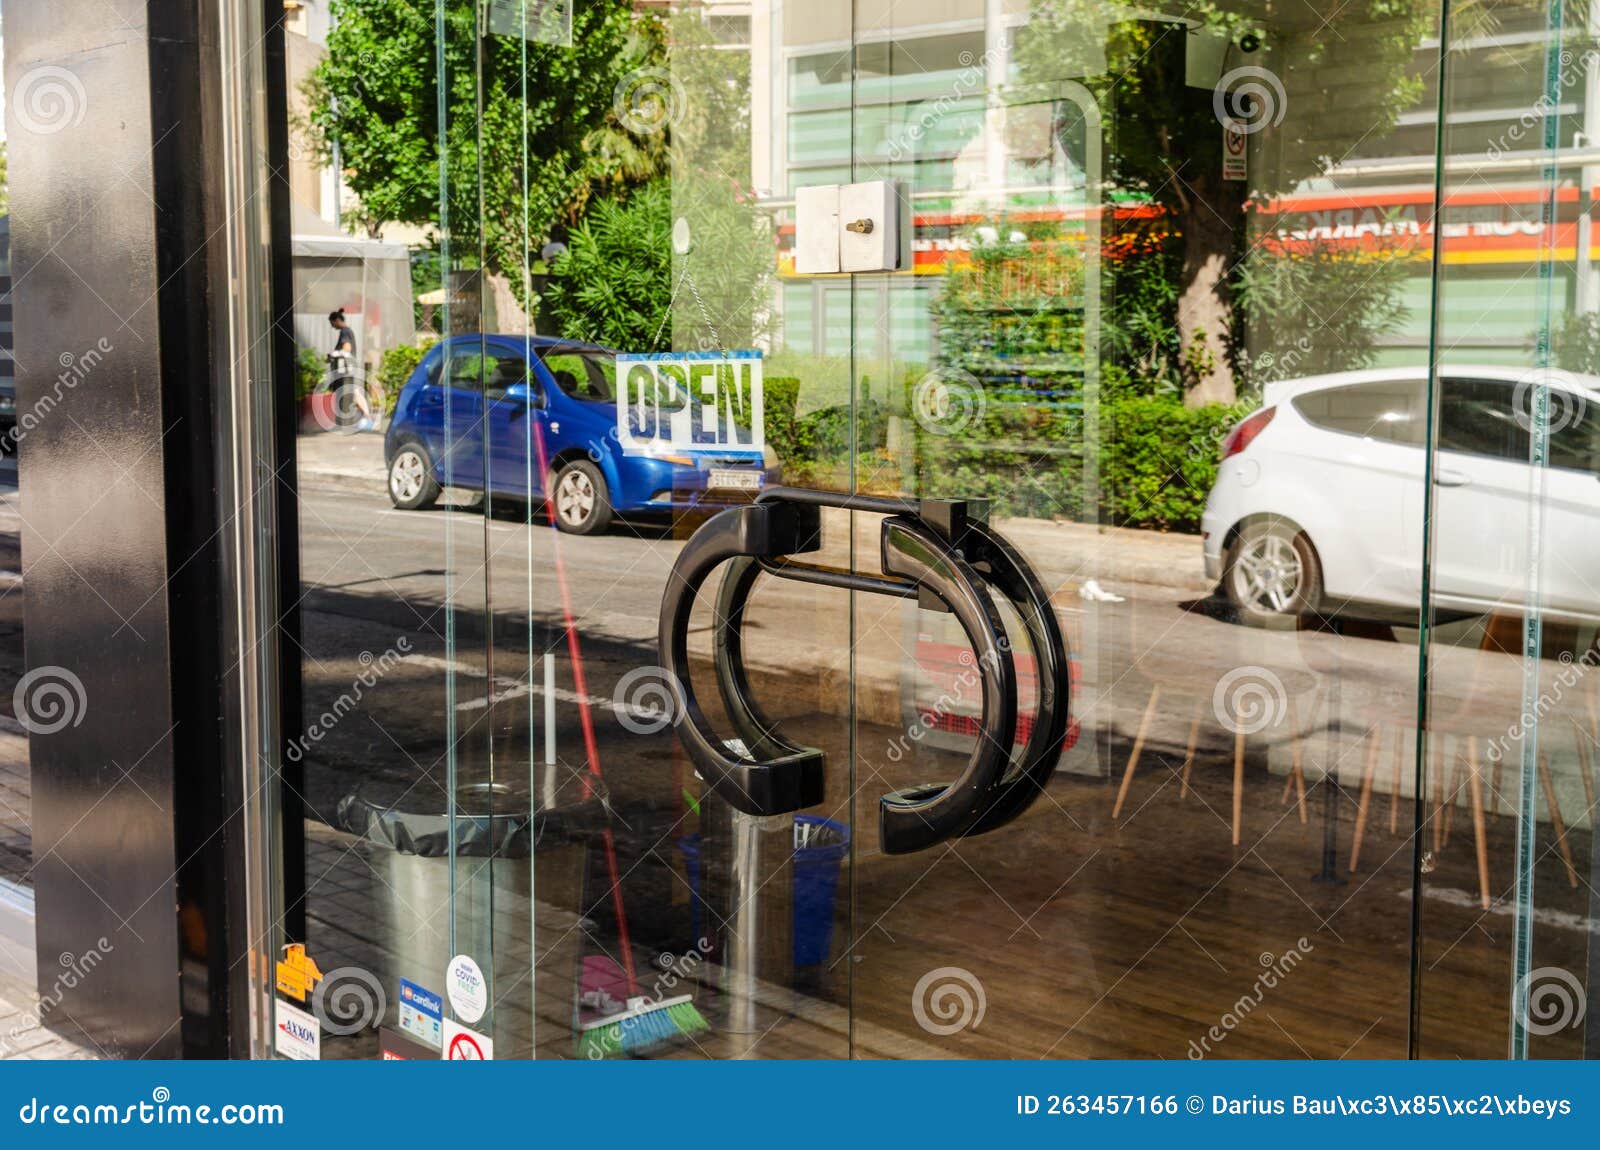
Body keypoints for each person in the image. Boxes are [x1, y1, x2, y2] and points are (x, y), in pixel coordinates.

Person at [324, 309, 372, 430]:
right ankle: (367, 418)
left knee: (353, 393)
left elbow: (347, 348)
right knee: (355, 393)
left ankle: (367, 418)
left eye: (332, 323)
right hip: (349, 368)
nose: (332, 326)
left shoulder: (345, 331)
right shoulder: (347, 331)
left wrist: (333, 354)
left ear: (337, 320)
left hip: (347, 370)